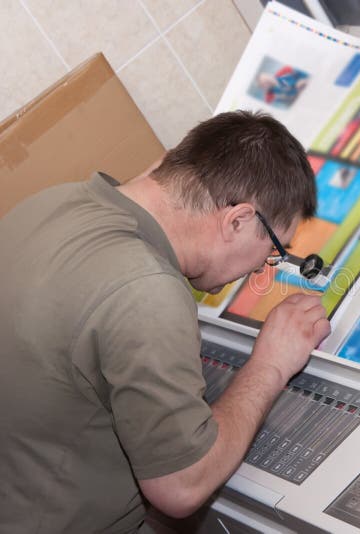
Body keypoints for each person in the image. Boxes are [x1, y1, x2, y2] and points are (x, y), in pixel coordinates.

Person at [0, 110, 330, 532]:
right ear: (237, 220)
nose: (263, 268)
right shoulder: (146, 291)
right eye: (273, 251)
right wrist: (271, 364)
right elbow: (181, 488)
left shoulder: (52, 202)